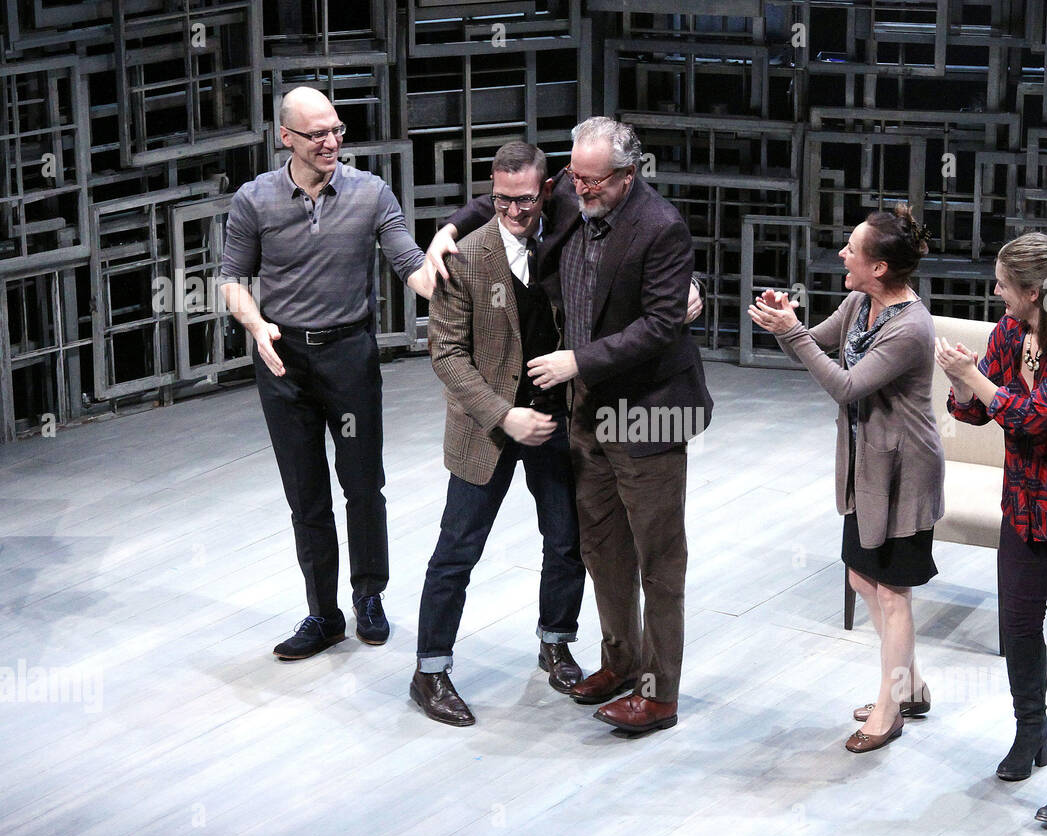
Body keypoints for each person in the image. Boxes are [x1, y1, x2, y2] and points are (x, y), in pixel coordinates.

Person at [430, 118, 711, 735]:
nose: (576, 191)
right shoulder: (567, 192)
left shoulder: (659, 228)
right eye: (573, 179)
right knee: (600, 548)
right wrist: (448, 230)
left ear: (628, 177)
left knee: (657, 559)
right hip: (586, 413)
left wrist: (577, 361)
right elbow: (508, 194)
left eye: (592, 182)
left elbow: (661, 325)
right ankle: (618, 663)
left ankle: (658, 693)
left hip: (647, 411)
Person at [219, 87, 437, 660]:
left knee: (364, 485)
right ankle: (322, 614)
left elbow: (408, 263)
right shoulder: (253, 199)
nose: (330, 142)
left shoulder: (370, 193)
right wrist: (256, 323)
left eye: (336, 130)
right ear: (285, 137)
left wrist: (449, 289)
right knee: (306, 495)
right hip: (283, 360)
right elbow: (232, 281)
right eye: (316, 133)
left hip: (349, 357)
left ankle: (369, 596)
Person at [935, 231, 1047, 828]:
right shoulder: (1011, 332)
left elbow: (1033, 418)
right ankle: (1030, 730)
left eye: (1003, 285)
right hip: (1026, 501)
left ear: (1035, 291)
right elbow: (974, 410)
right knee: (1016, 623)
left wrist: (981, 384)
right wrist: (963, 378)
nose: (995, 293)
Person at [750, 203, 944, 753]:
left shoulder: (910, 327)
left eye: (852, 249)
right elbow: (819, 344)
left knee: (891, 592)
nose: (842, 253)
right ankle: (912, 684)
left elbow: (846, 385)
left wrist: (794, 334)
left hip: (905, 469)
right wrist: (787, 324)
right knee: (864, 580)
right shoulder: (861, 302)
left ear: (879, 266)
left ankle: (891, 708)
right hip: (867, 464)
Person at [410, 142, 587, 727]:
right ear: (491, 190)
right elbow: (447, 354)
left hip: (555, 417)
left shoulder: (564, 238)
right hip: (487, 427)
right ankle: (429, 671)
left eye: (526, 200)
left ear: (545, 192)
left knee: (566, 541)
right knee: (457, 549)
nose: (514, 212)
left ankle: (556, 643)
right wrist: (501, 414)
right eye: (503, 200)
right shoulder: (464, 257)